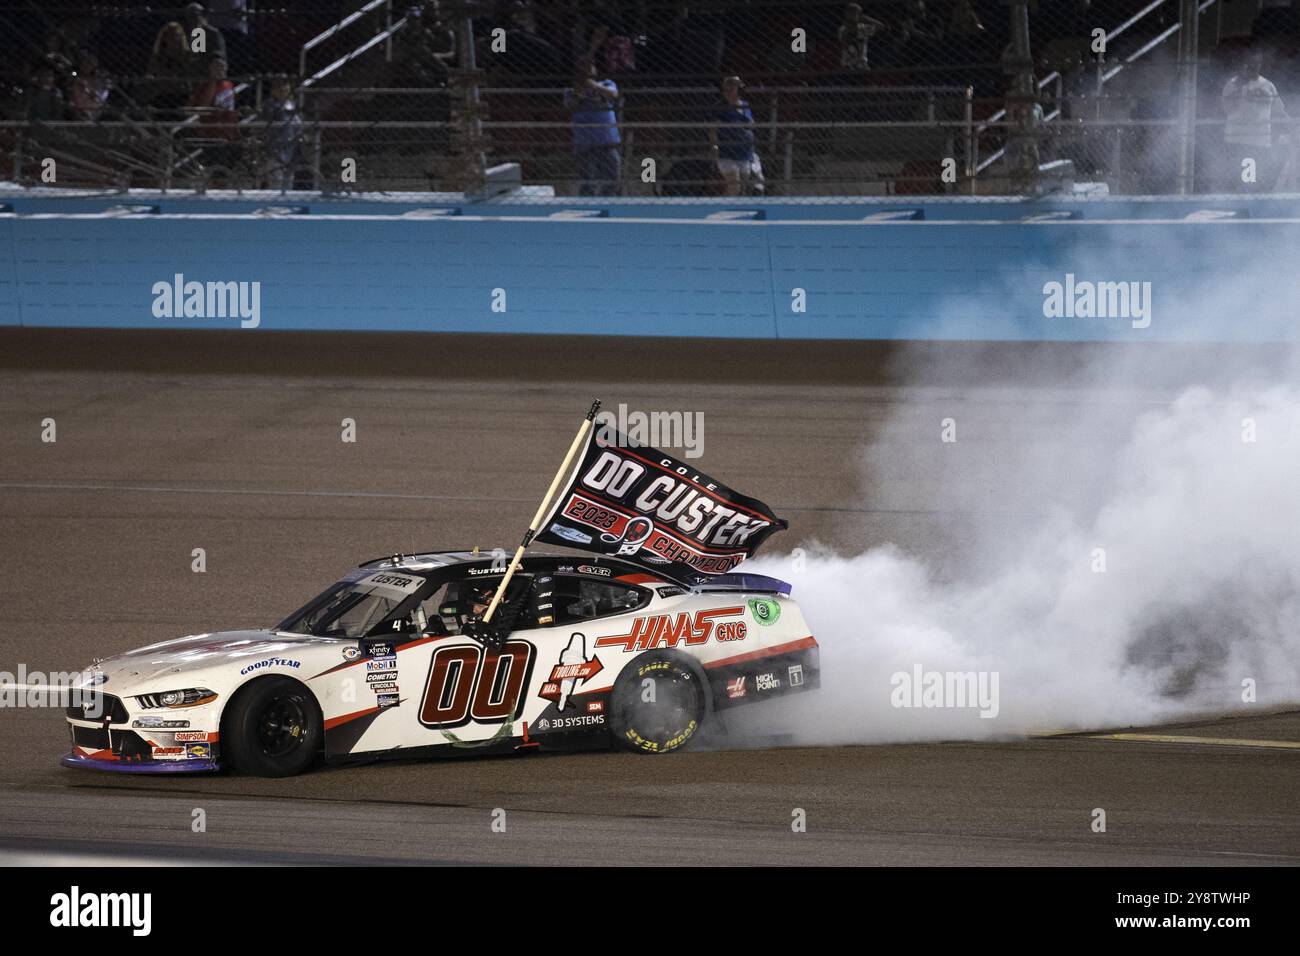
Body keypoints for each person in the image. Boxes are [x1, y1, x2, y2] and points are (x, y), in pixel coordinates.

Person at [1222, 50, 1290, 192]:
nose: (1255, 67)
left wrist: (1292, 126)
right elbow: (1226, 108)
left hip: (1261, 142)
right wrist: (1242, 89)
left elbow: (1279, 111)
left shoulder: (1268, 85)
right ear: (1243, 64)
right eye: (1251, 63)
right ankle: (1241, 207)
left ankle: (1250, 208)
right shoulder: (1233, 84)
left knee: (1257, 182)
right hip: (1238, 142)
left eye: (1258, 63)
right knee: (1243, 182)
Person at [564, 57, 621, 196]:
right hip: (585, 143)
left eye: (590, 66)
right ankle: (587, 207)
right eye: (582, 67)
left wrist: (594, 86)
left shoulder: (606, 83)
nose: (587, 70)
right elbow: (570, 106)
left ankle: (609, 206)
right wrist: (580, 92)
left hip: (607, 141)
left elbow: (613, 94)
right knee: (588, 181)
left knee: (612, 178)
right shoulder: (571, 90)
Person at [708, 75, 764, 196]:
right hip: (726, 152)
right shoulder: (720, 107)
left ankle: (734, 209)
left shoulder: (744, 105)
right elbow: (713, 129)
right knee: (734, 185)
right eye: (726, 89)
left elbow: (750, 123)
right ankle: (721, 208)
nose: (727, 92)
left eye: (732, 89)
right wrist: (714, 146)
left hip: (744, 152)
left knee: (742, 189)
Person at [259, 74, 303, 190]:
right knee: (276, 185)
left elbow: (297, 124)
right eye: (278, 86)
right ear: (273, 90)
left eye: (285, 85)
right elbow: (270, 117)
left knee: (288, 185)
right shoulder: (270, 105)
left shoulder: (292, 104)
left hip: (291, 150)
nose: (282, 89)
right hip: (276, 151)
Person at [838, 3, 885, 72]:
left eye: (855, 13)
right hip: (847, 64)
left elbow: (881, 26)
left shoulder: (863, 28)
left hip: (862, 64)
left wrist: (867, 19)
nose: (852, 16)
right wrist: (850, 27)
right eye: (850, 13)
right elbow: (843, 41)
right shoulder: (842, 29)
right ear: (846, 14)